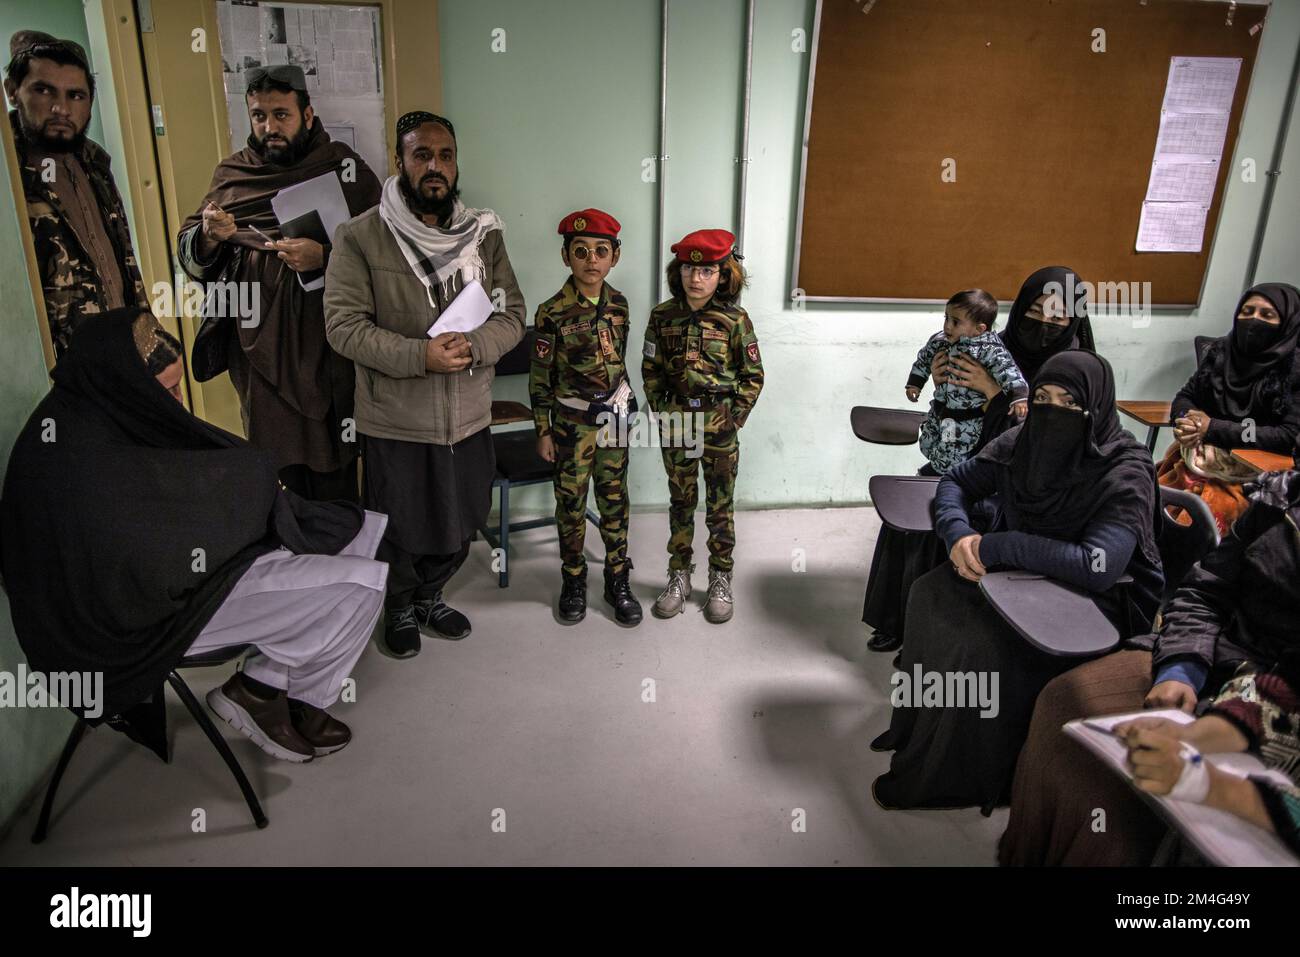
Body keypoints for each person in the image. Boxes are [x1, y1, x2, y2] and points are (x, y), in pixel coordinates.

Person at [0, 308, 389, 763]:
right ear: (131, 387)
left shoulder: (95, 411)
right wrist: (239, 516)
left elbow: (163, 498)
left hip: (162, 584)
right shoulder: (73, 459)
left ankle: (264, 686)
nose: (180, 400)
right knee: (363, 584)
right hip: (128, 625)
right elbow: (142, 554)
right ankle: (279, 693)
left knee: (356, 531)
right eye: (167, 390)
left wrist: (242, 501)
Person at [871, 350, 1163, 812]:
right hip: (1024, 574)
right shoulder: (1022, 439)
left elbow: (1099, 565)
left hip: (1095, 596)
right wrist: (958, 533)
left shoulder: (1123, 470)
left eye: (1070, 404)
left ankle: (962, 777)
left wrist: (997, 547)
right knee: (930, 593)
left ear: (1097, 408)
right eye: (1042, 398)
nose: (1052, 413)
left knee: (980, 645)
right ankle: (918, 735)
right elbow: (955, 484)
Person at [1000, 467, 1300, 865]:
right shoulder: (1278, 498)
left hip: (1271, 737)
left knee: (1124, 822)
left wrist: (1206, 778)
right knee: (1061, 705)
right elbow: (1205, 592)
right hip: (1224, 659)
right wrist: (1182, 670)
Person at [325, 110, 526, 658]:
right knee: (399, 525)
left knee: (461, 521)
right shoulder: (360, 236)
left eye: (445, 156)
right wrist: (421, 357)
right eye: (421, 155)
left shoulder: (483, 234)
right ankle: (398, 605)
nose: (435, 167)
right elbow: (343, 328)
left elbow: (510, 313)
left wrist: (475, 348)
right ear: (400, 161)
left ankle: (431, 595)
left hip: (467, 415)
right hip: (397, 418)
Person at [862, 265, 1096, 653]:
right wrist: (941, 382)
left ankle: (935, 637)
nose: (1044, 322)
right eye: (1036, 310)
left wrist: (992, 393)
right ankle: (897, 618)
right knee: (916, 505)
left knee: (966, 513)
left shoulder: (1079, 370)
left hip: (1026, 485)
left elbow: (1052, 442)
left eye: (1058, 315)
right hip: (965, 457)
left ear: (1075, 319)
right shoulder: (990, 346)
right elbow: (951, 398)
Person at [177, 64, 382, 502]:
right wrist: (210, 237)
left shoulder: (341, 166)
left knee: (335, 456)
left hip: (329, 343)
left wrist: (326, 257)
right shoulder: (233, 174)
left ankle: (340, 553)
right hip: (259, 345)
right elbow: (189, 251)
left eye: (281, 115)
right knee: (276, 461)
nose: (269, 126)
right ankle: (292, 556)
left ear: (307, 115)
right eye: (258, 115)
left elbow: (386, 252)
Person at [642, 228, 764, 624]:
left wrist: (735, 418)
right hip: (678, 425)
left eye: (707, 271)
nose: (696, 279)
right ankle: (678, 576)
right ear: (677, 272)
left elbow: (753, 375)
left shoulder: (735, 319)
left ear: (723, 274)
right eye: (689, 270)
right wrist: (662, 410)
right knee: (680, 502)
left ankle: (720, 578)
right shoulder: (662, 316)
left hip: (719, 429)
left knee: (719, 505)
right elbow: (651, 369)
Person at [5, 31, 148, 357]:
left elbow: (123, 263)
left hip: (120, 353)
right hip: (54, 369)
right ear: (13, 92)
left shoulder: (94, 164)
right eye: (43, 90)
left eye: (76, 96)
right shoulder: (8, 172)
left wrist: (149, 343)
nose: (61, 108)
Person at [530, 208, 641, 626]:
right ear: (565, 257)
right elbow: (540, 380)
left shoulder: (620, 306)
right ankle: (574, 578)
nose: (590, 260)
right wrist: (543, 431)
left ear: (615, 255)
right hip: (570, 427)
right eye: (580, 251)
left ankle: (617, 578)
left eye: (600, 251)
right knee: (571, 505)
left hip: (612, 423)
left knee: (614, 503)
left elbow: (618, 363)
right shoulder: (551, 312)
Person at [1160, 282, 1300, 535]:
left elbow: (1288, 435)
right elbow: (1186, 396)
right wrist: (1185, 421)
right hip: (1201, 458)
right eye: (1246, 312)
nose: (1253, 320)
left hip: (1256, 475)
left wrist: (1213, 428)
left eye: (1266, 315)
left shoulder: (1295, 369)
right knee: (1138, 497)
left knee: (1195, 526)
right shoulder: (1223, 352)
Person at [905, 288, 1027, 474]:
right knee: (928, 442)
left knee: (950, 451)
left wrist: (1019, 396)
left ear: (980, 329)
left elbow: (1008, 370)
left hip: (963, 418)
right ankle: (935, 470)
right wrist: (915, 382)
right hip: (939, 408)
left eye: (956, 322)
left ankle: (941, 478)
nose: (947, 326)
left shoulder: (989, 349)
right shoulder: (940, 340)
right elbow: (924, 359)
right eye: (946, 318)